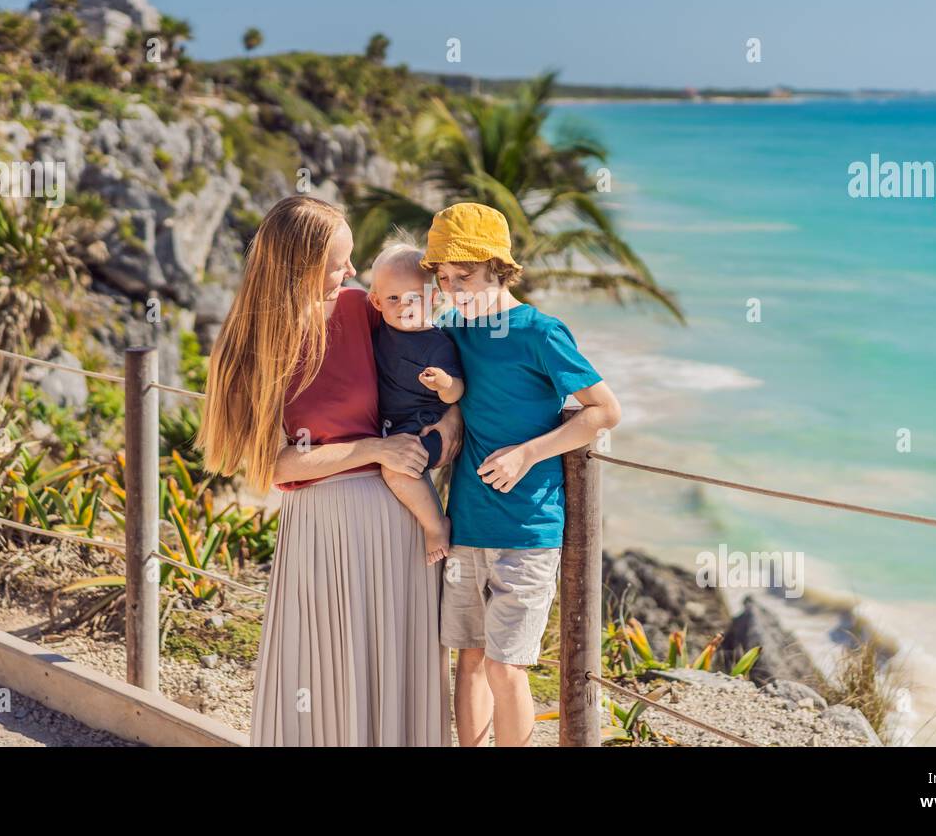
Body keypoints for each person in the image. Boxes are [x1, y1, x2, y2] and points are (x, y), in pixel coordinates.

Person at [196, 195, 458, 746]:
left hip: (398, 521)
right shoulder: (249, 345)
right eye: (341, 262)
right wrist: (374, 451)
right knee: (324, 674)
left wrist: (452, 420)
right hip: (319, 529)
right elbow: (273, 463)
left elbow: (443, 355)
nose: (353, 272)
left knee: (396, 674)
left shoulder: (363, 308)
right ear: (301, 263)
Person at [421, 202, 622, 747]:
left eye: (464, 277)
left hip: (529, 531)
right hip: (465, 524)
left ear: (498, 268)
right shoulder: (453, 331)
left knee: (506, 669)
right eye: (444, 278)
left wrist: (528, 453)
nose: (453, 289)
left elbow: (604, 411)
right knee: (468, 661)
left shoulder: (541, 332)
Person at [367, 242, 465, 565]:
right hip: (393, 427)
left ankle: (436, 525)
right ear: (376, 301)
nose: (404, 305)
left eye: (415, 297)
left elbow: (457, 391)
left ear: (434, 300)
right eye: (393, 298)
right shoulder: (379, 331)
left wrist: (444, 384)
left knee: (395, 470)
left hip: (426, 426)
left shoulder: (437, 345)